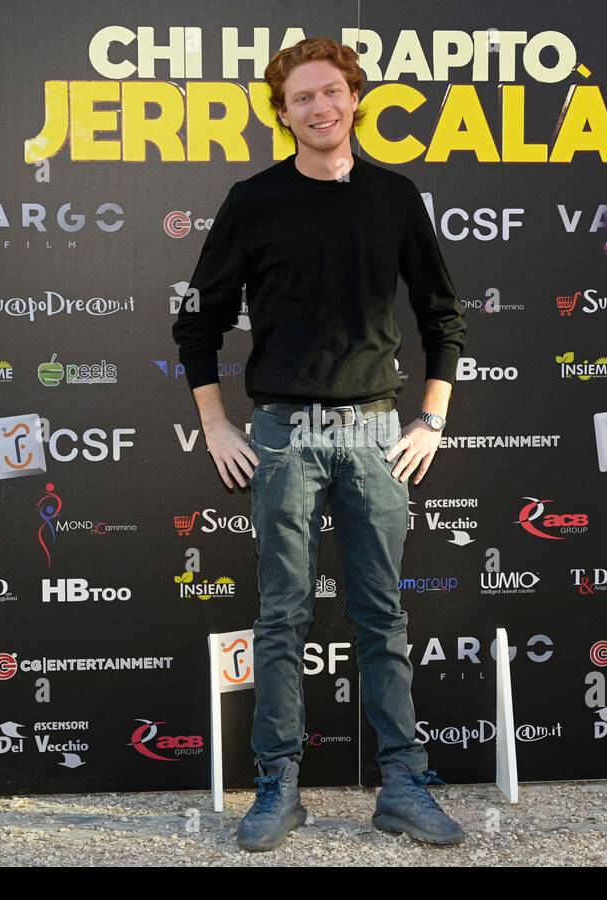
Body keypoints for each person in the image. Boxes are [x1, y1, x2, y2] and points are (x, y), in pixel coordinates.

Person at [171, 37, 468, 852]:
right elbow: (197, 321)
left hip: (377, 434)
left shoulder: (396, 197)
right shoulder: (254, 199)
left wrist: (431, 418)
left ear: (355, 99)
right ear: (282, 113)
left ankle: (403, 786)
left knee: (382, 616)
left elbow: (444, 316)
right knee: (281, 617)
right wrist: (216, 424)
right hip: (281, 437)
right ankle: (278, 788)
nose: (319, 108)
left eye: (331, 92)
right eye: (302, 98)